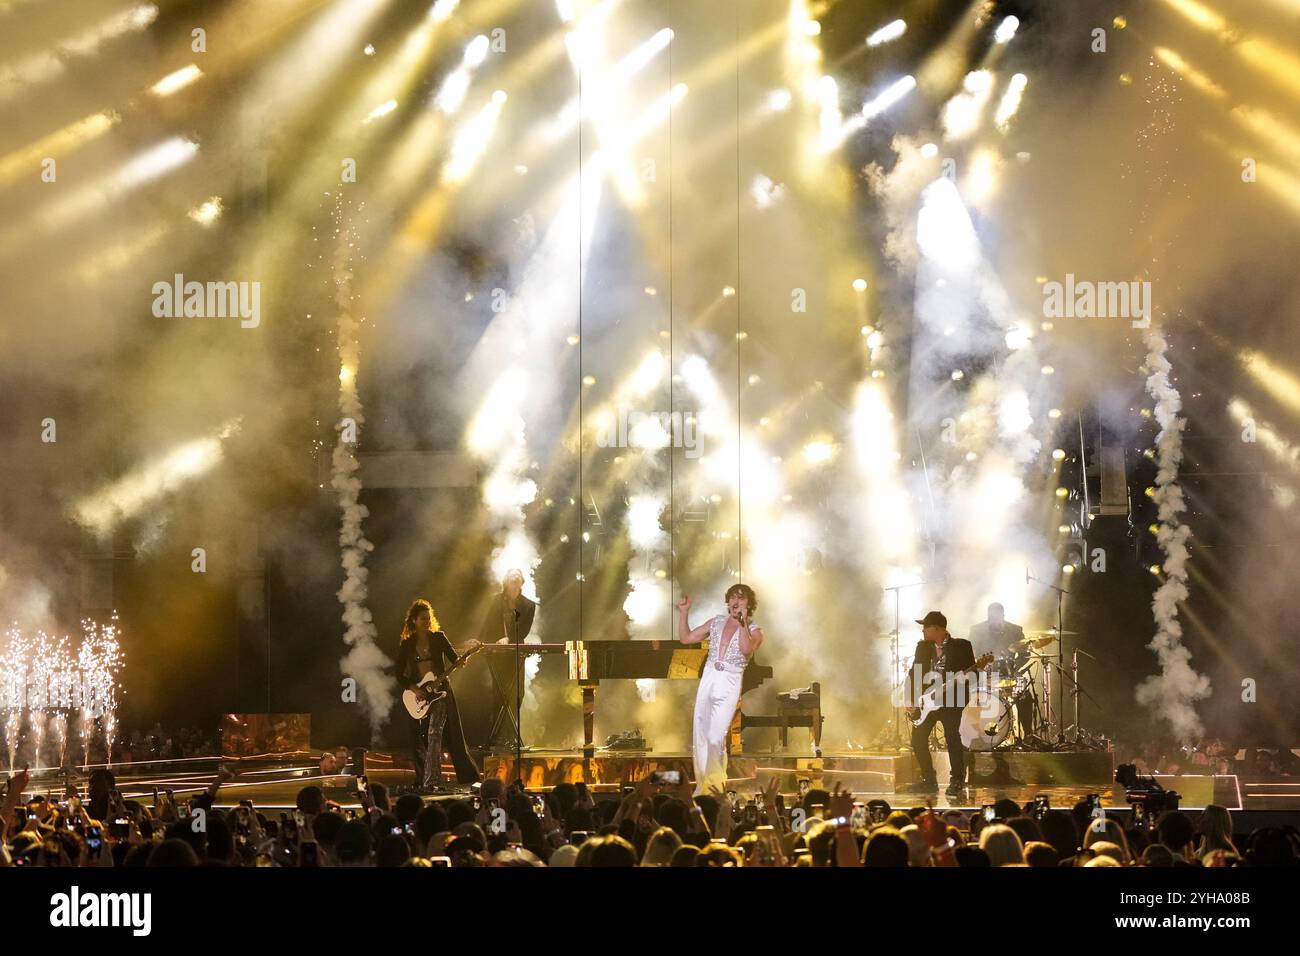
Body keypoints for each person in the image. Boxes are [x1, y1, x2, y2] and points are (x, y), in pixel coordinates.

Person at [678, 584, 764, 796]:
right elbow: (686, 638)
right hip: (709, 675)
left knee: (716, 736)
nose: (736, 601)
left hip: (730, 679)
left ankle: (716, 785)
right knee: (701, 731)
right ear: (728, 602)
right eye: (733, 597)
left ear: (749, 604)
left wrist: (743, 623)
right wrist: (684, 612)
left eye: (741, 598)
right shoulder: (716, 622)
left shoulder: (755, 631)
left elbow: (746, 649)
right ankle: (703, 785)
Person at [394, 599, 482, 792]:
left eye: (429, 618)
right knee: (421, 738)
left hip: (440, 693)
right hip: (419, 694)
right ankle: (424, 778)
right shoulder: (407, 644)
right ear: (414, 621)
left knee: (435, 734)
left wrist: (463, 658)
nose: (427, 622)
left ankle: (432, 781)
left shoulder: (438, 638)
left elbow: (454, 659)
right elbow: (398, 673)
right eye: (423, 619)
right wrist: (414, 689)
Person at [904, 611, 977, 798]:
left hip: (951, 701)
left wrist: (962, 681)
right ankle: (929, 780)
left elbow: (974, 674)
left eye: (925, 627)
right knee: (918, 740)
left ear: (937, 629)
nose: (922, 631)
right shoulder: (922, 647)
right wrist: (910, 698)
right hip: (927, 701)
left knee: (952, 738)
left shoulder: (962, 646)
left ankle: (957, 780)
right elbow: (914, 672)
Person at [478, 569, 537, 749]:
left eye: (518, 576)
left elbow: (524, 630)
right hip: (498, 654)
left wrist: (509, 639)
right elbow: (487, 623)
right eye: (511, 575)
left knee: (516, 694)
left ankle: (511, 737)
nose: (514, 578)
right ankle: (496, 738)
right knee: (499, 695)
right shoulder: (495, 601)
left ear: (521, 582)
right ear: (505, 581)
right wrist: (480, 641)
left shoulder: (528, 605)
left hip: (515, 654)